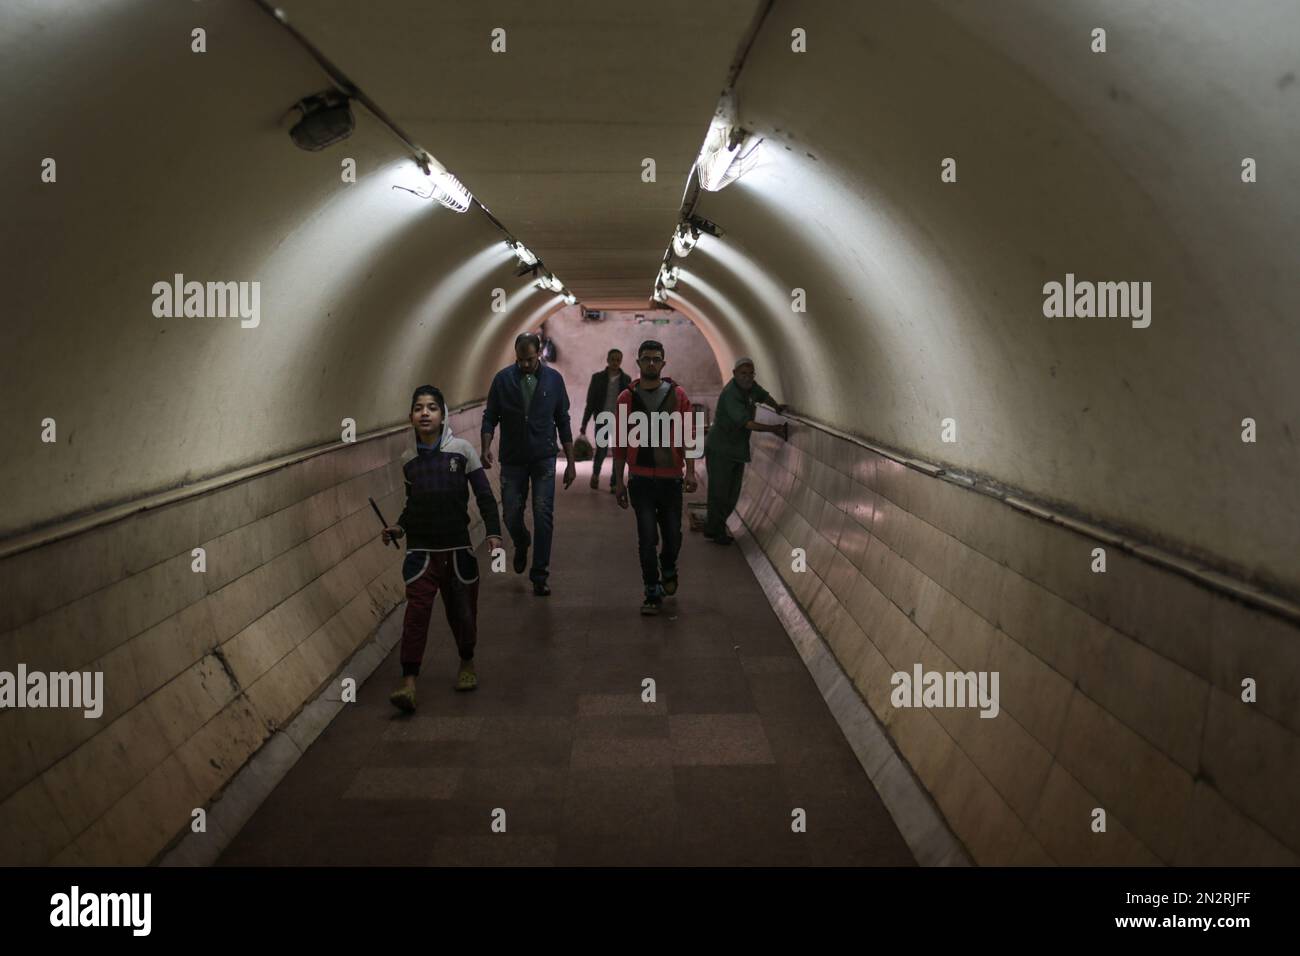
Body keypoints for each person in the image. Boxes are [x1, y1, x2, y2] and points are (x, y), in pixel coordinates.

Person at [381, 385, 502, 709]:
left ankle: (466, 661)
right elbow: (412, 504)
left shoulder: (462, 451)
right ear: (410, 416)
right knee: (416, 613)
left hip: (457, 549)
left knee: (462, 613)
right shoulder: (408, 460)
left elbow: (485, 495)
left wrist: (493, 533)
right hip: (420, 551)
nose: (424, 413)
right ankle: (408, 682)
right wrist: (400, 526)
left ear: (443, 414)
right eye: (418, 407)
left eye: (432, 407)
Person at [481, 332, 577, 596]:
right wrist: (485, 446)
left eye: (530, 359)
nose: (525, 364)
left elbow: (563, 419)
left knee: (543, 513)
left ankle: (540, 575)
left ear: (539, 354)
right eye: (520, 360)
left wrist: (570, 462)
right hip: (512, 458)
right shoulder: (502, 380)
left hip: (544, 457)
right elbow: (490, 416)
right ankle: (521, 541)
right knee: (511, 512)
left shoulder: (554, 380)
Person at [612, 340, 698, 615]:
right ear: (637, 363)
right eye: (646, 359)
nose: (651, 363)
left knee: (672, 535)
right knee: (647, 536)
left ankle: (669, 564)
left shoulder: (678, 395)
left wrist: (692, 471)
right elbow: (620, 443)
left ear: (663, 363)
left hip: (671, 478)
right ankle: (651, 590)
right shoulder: (626, 398)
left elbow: (689, 436)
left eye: (656, 359)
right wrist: (618, 481)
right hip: (641, 480)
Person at [703, 357, 788, 545]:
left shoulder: (749, 388)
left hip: (735, 450)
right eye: (743, 374)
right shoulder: (731, 394)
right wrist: (774, 429)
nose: (748, 377)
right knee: (720, 492)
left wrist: (776, 406)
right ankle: (715, 530)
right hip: (721, 449)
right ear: (734, 374)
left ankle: (715, 526)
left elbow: (763, 395)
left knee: (732, 492)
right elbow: (746, 423)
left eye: (751, 374)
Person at [580, 348, 632, 491]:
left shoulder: (626, 380)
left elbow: (630, 403)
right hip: (602, 418)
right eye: (613, 359)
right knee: (601, 450)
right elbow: (590, 402)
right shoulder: (597, 378)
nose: (615, 362)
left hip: (619, 421)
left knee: (618, 452)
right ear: (608, 360)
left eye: (618, 360)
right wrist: (584, 423)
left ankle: (614, 482)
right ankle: (595, 475)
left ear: (620, 361)